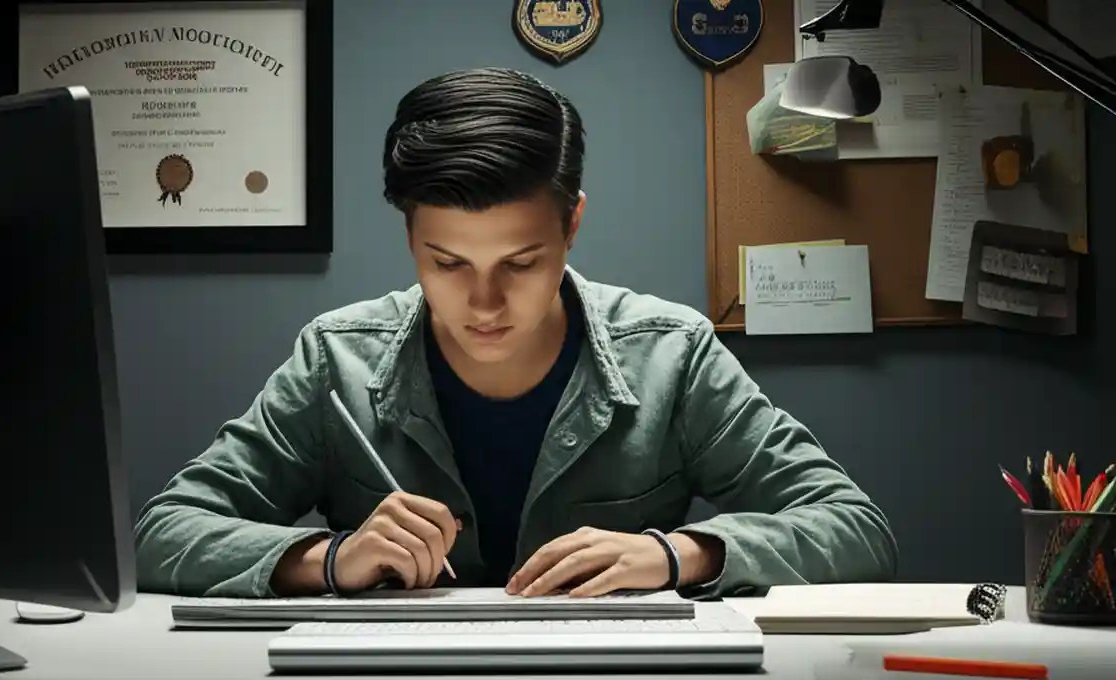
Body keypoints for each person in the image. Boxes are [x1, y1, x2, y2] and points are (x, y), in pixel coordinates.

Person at [134, 67, 897, 600]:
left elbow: (855, 528)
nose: (484, 302)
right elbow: (162, 533)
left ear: (573, 225)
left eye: (521, 262)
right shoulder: (336, 357)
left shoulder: (673, 351)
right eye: (448, 262)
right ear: (410, 242)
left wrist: (676, 555)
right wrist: (329, 560)